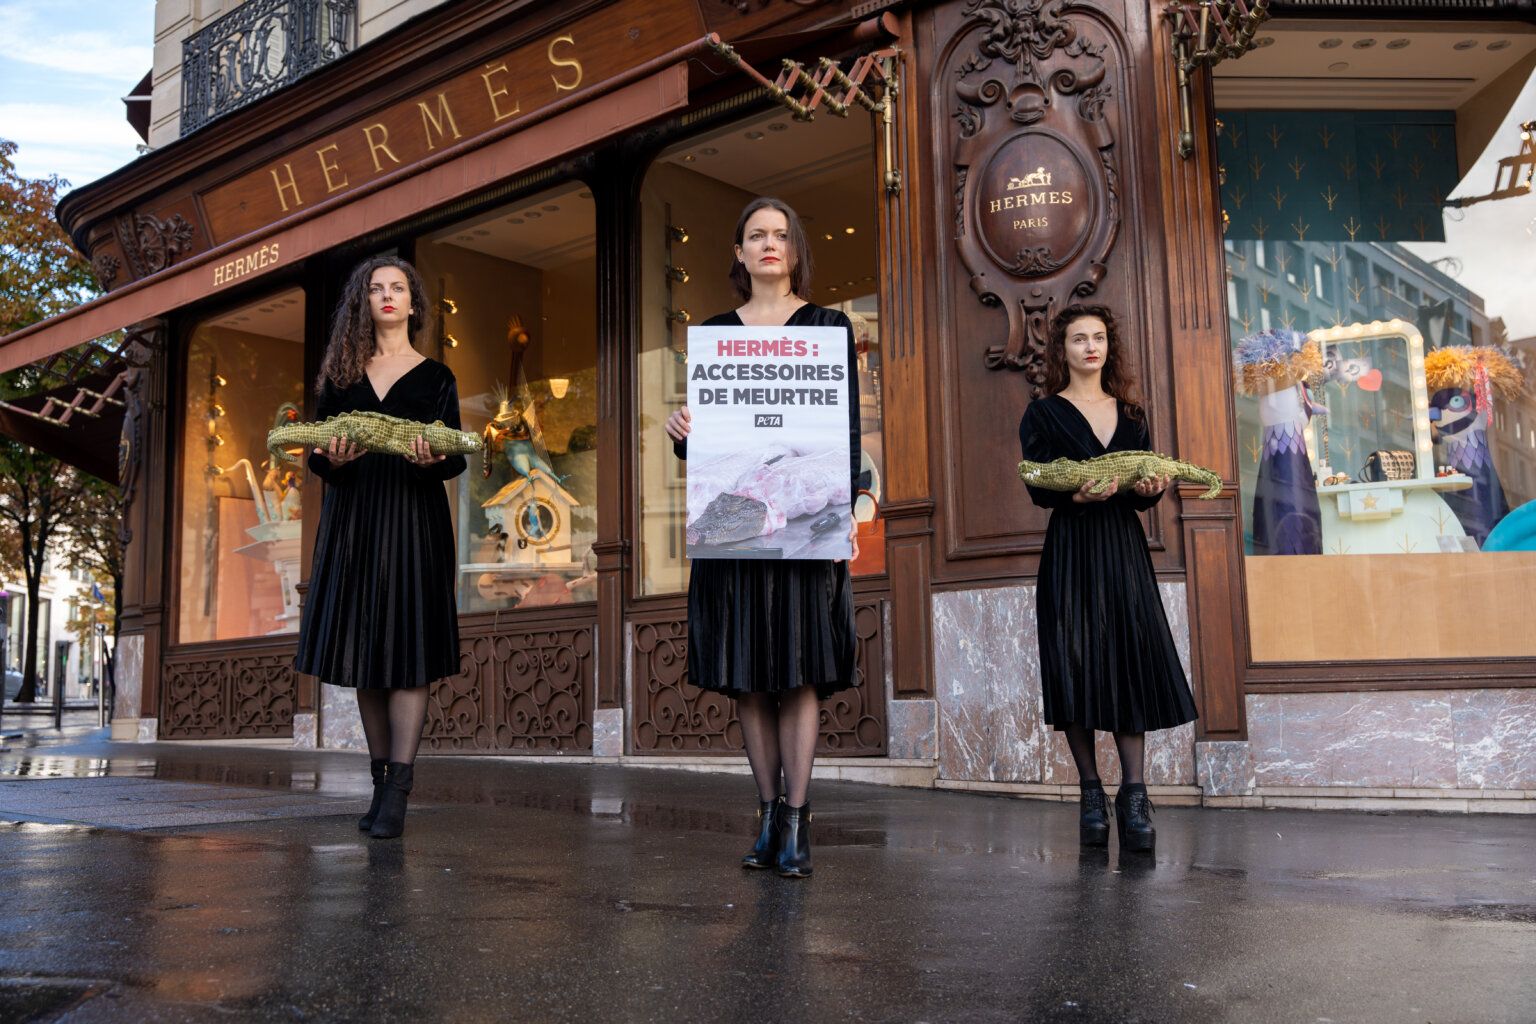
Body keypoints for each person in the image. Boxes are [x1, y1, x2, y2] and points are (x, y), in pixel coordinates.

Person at [664, 197, 860, 878]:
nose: (769, 244)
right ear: (740, 255)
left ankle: (799, 823)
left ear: (796, 249)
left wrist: (853, 501)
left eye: (780, 234)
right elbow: (711, 457)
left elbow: (846, 433)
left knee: (800, 672)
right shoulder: (715, 335)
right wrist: (684, 436)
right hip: (737, 528)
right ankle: (768, 814)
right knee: (748, 678)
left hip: (807, 535)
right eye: (756, 235)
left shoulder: (830, 328)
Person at [294, 256, 468, 839]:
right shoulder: (341, 374)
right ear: (363, 302)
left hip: (414, 521)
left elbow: (456, 458)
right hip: (355, 521)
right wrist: (333, 460)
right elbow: (318, 454)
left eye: (398, 288)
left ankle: (399, 789)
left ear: (413, 303)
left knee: (409, 652)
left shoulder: (437, 377)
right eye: (376, 289)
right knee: (365, 653)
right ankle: (378, 780)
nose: (388, 296)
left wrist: (432, 460)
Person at [1019, 304, 1199, 853]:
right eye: (1079, 339)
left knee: (1127, 662)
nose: (1090, 347)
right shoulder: (1043, 414)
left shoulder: (1133, 414)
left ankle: (1136, 794)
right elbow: (1036, 485)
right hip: (1072, 549)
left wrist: (1152, 491)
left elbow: (1145, 483)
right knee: (1075, 666)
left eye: (1098, 337)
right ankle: (1091, 793)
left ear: (1107, 347)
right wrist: (1074, 493)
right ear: (1063, 350)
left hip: (1123, 550)